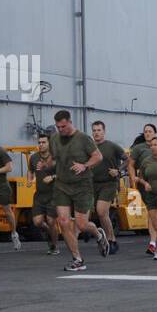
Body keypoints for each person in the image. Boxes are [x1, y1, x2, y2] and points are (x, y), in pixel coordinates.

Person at [50, 110, 110, 272]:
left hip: (82, 185)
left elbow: (98, 157)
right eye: (58, 127)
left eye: (63, 126)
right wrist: (45, 163)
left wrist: (84, 165)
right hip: (62, 185)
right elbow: (53, 158)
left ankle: (98, 234)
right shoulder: (54, 138)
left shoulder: (83, 138)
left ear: (70, 122)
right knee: (63, 221)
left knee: (82, 224)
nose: (60, 129)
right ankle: (77, 259)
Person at [128, 123, 157, 253]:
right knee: (152, 215)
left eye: (150, 131)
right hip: (145, 185)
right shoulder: (138, 148)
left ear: (155, 133)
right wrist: (133, 177)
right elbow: (130, 164)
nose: (147, 133)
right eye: (145, 131)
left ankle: (153, 243)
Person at [90, 121, 125, 255]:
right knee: (93, 213)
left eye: (99, 130)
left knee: (101, 211)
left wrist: (118, 170)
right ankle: (103, 237)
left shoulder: (112, 146)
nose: (96, 133)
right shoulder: (90, 147)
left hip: (109, 183)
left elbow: (128, 160)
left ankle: (112, 240)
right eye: (94, 130)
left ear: (104, 131)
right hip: (93, 184)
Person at [28, 134, 60, 255]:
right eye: (39, 142)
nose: (41, 145)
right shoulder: (34, 157)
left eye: (43, 142)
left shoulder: (55, 157)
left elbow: (64, 173)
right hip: (39, 195)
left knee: (51, 221)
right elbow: (30, 170)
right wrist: (30, 179)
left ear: (49, 143)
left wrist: (52, 177)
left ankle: (55, 246)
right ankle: (50, 234)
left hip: (53, 194)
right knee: (37, 222)